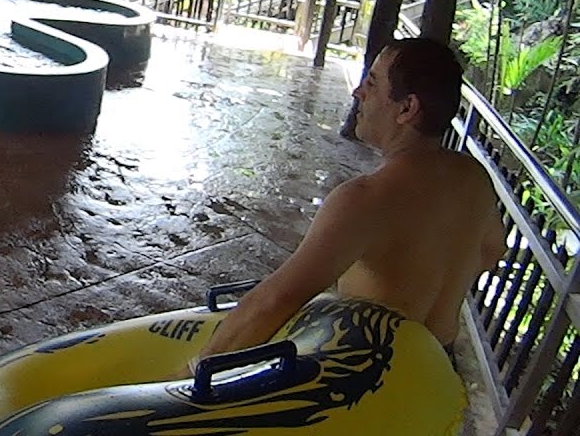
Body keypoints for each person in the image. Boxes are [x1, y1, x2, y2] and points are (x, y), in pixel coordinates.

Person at [192, 37, 506, 369]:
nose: (358, 93)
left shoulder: (367, 199)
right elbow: (492, 252)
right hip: (434, 368)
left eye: (372, 83)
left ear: (407, 108)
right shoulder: (475, 178)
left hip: (368, 374)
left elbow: (274, 301)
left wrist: (191, 371)